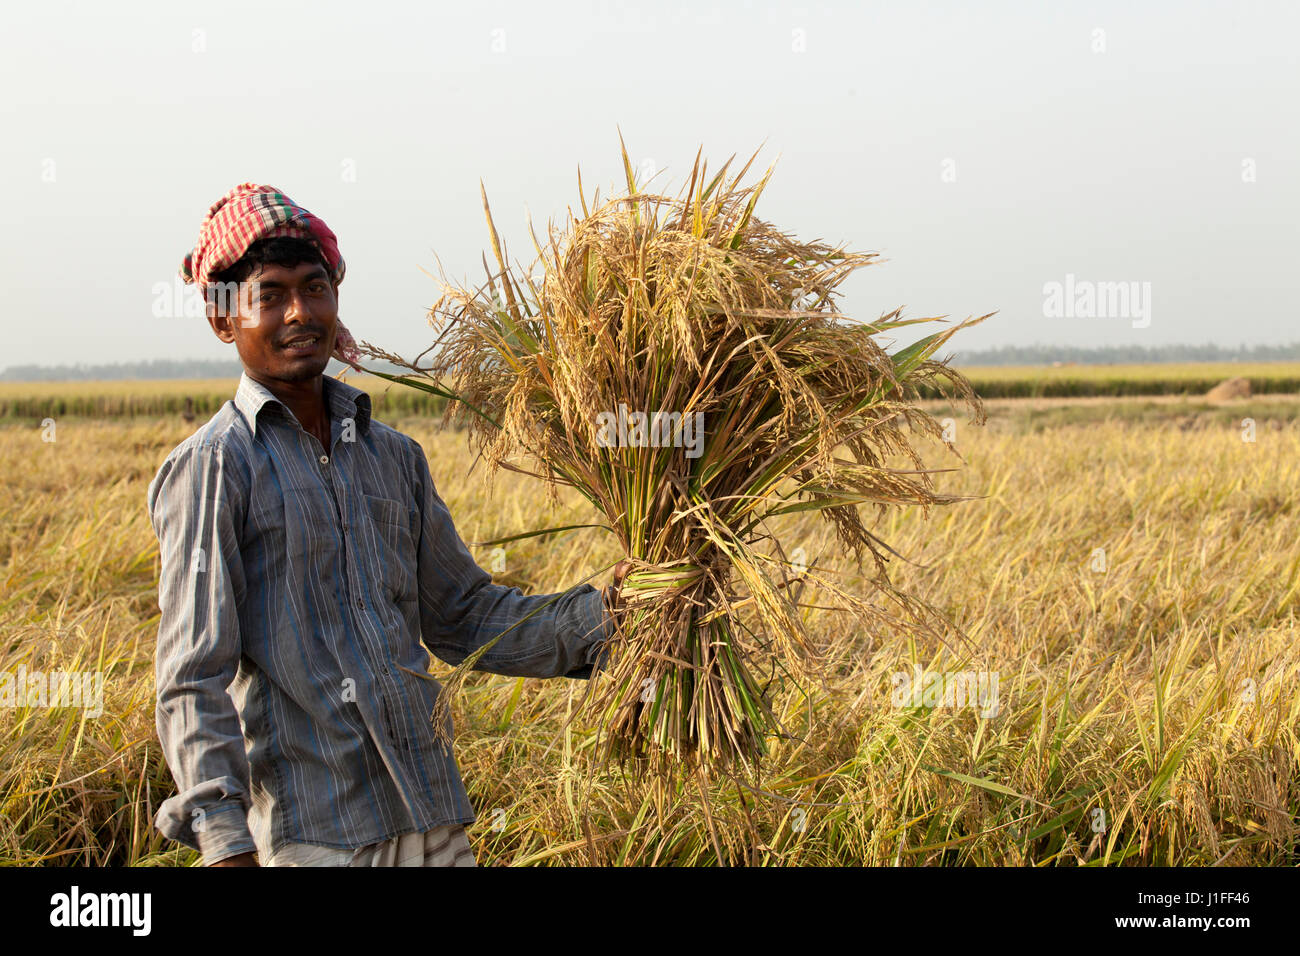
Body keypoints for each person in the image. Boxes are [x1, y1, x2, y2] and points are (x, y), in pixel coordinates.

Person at [149, 183, 628, 867]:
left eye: (315, 288)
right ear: (223, 319)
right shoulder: (214, 469)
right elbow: (192, 677)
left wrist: (608, 612)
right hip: (311, 835)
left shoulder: (392, 456)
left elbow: (463, 616)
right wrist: (225, 846)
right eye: (270, 294)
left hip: (430, 818)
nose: (298, 313)